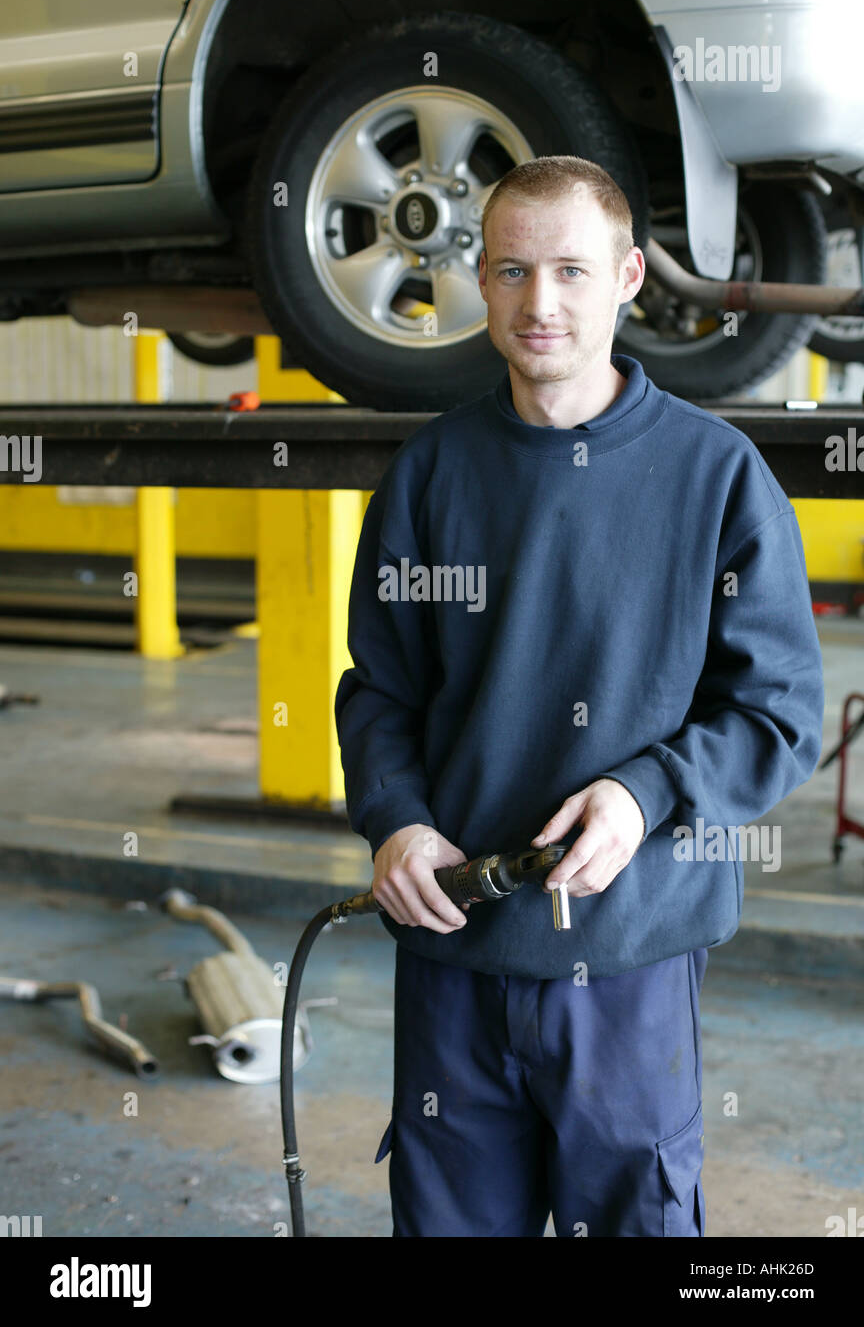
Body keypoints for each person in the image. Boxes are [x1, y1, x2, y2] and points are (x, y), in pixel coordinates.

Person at [334, 155, 825, 1237]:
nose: (539, 302)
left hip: (633, 958)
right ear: (482, 280)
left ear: (630, 276)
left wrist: (646, 795)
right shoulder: (430, 475)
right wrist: (398, 820)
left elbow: (779, 711)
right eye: (511, 271)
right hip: (456, 944)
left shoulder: (719, 478)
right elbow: (380, 691)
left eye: (570, 269)